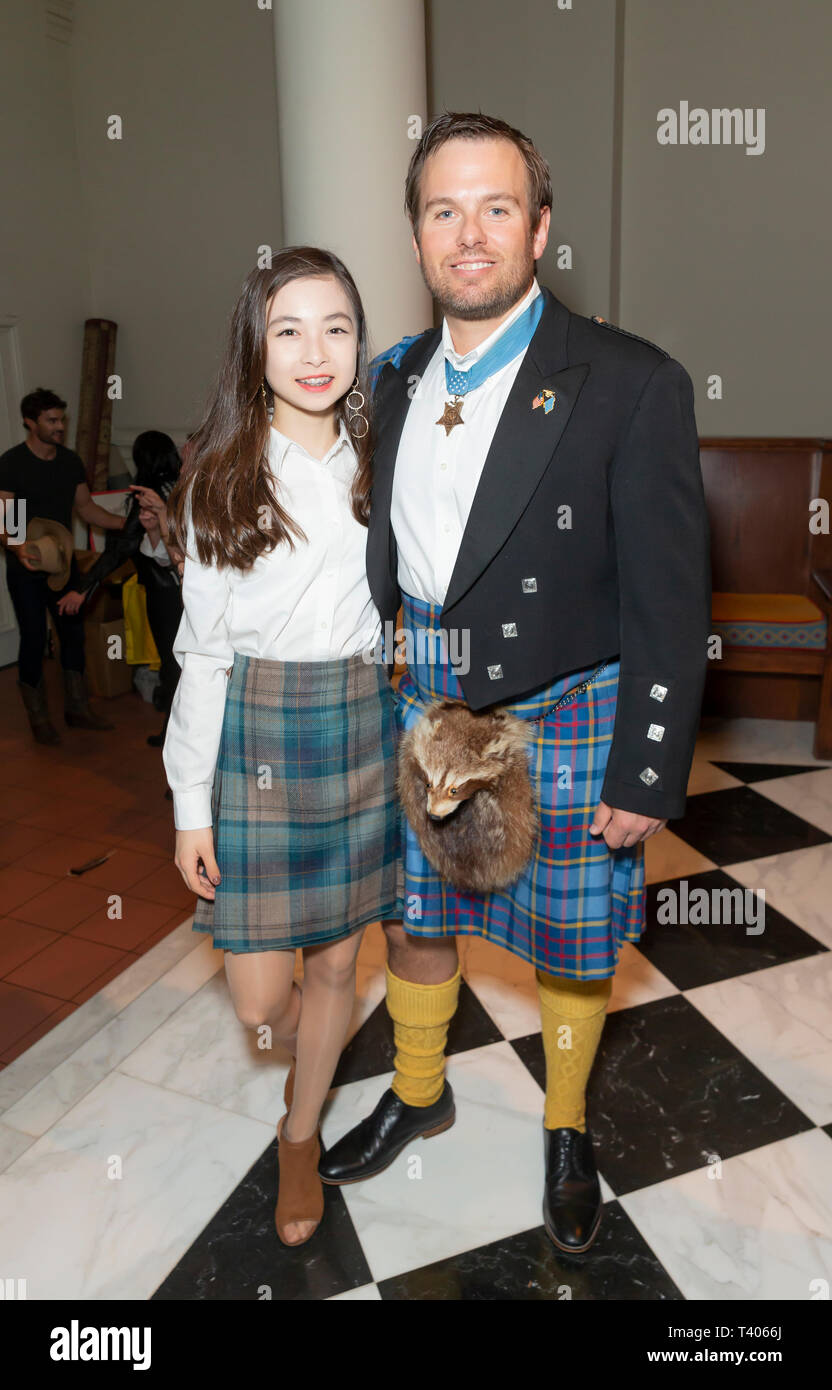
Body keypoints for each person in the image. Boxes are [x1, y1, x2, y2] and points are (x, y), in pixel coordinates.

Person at [316, 112, 712, 1255]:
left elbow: (669, 600)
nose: (469, 233)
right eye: (444, 210)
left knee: (572, 945)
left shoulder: (630, 381)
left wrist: (645, 767)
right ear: (416, 234)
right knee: (416, 917)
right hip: (422, 702)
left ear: (540, 230)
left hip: (566, 708)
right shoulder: (387, 378)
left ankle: (565, 1125)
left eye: (497, 207)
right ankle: (419, 1083)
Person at [162, 248, 403, 1248]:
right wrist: (189, 806)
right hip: (257, 725)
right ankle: (302, 1063)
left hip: (357, 718)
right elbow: (201, 654)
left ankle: (299, 1136)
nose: (315, 351)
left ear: (360, 339)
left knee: (341, 968)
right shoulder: (218, 475)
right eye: (289, 328)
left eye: (337, 326)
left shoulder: (382, 461)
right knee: (262, 990)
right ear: (254, 345)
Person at [0, 387, 127, 742]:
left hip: (64, 565)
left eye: (62, 420)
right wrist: (19, 547)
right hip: (26, 565)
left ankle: (77, 708)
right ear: (30, 422)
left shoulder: (69, 462)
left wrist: (124, 523)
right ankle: (38, 717)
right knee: (34, 637)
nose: (59, 427)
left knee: (72, 634)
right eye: (51, 420)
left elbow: (85, 509)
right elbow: (8, 518)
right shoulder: (13, 464)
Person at [57, 430, 185, 748]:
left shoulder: (150, 493)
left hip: (167, 597)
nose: (61, 427)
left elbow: (119, 550)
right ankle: (175, 731)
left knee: (173, 666)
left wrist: (84, 589)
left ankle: (175, 735)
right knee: (182, 665)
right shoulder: (182, 489)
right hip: (187, 593)